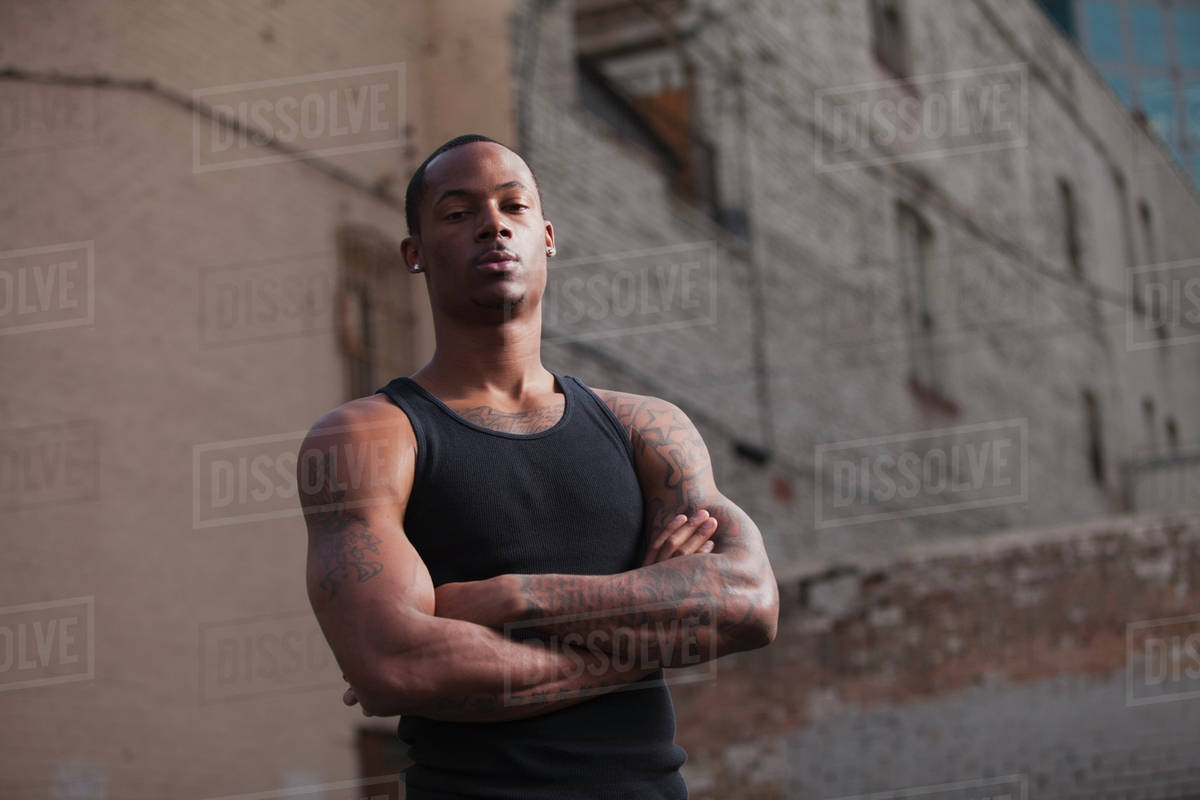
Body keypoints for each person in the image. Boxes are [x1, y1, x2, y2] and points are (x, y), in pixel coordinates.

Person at [297, 134, 779, 799]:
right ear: (415, 254)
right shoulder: (366, 438)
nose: (492, 224)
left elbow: (748, 605)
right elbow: (396, 665)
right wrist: (651, 628)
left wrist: (513, 598)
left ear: (546, 236)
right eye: (458, 212)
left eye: (513, 206)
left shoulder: (648, 428)